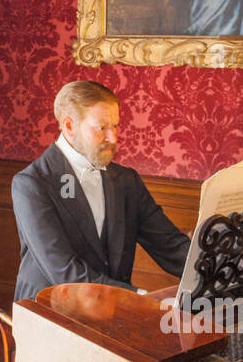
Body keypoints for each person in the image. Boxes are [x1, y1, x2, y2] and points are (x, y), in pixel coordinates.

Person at [12, 81, 188, 302]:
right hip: (48, 314)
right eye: (101, 127)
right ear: (69, 126)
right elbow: (64, 271)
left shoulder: (126, 180)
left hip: (111, 312)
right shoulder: (31, 184)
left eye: (114, 126)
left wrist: (217, 269)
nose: (113, 138)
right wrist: (137, 297)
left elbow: (169, 245)